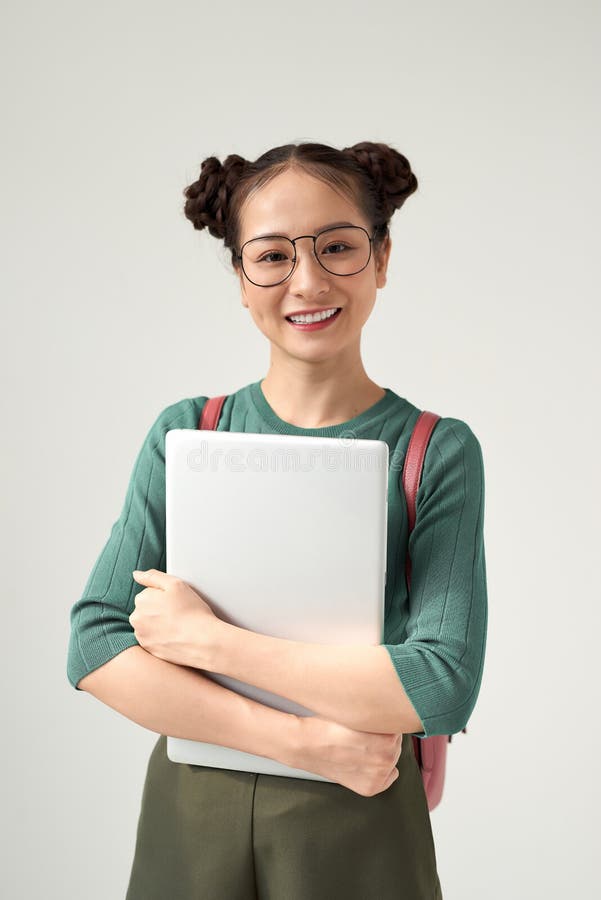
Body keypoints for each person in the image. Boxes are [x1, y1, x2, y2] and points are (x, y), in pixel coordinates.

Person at [66, 140, 488, 899]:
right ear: (239, 277)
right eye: (270, 256)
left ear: (382, 257)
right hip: (196, 807)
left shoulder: (432, 449)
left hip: (358, 821)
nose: (307, 281)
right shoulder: (187, 431)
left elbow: (439, 685)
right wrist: (306, 743)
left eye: (337, 247)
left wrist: (209, 642)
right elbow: (96, 648)